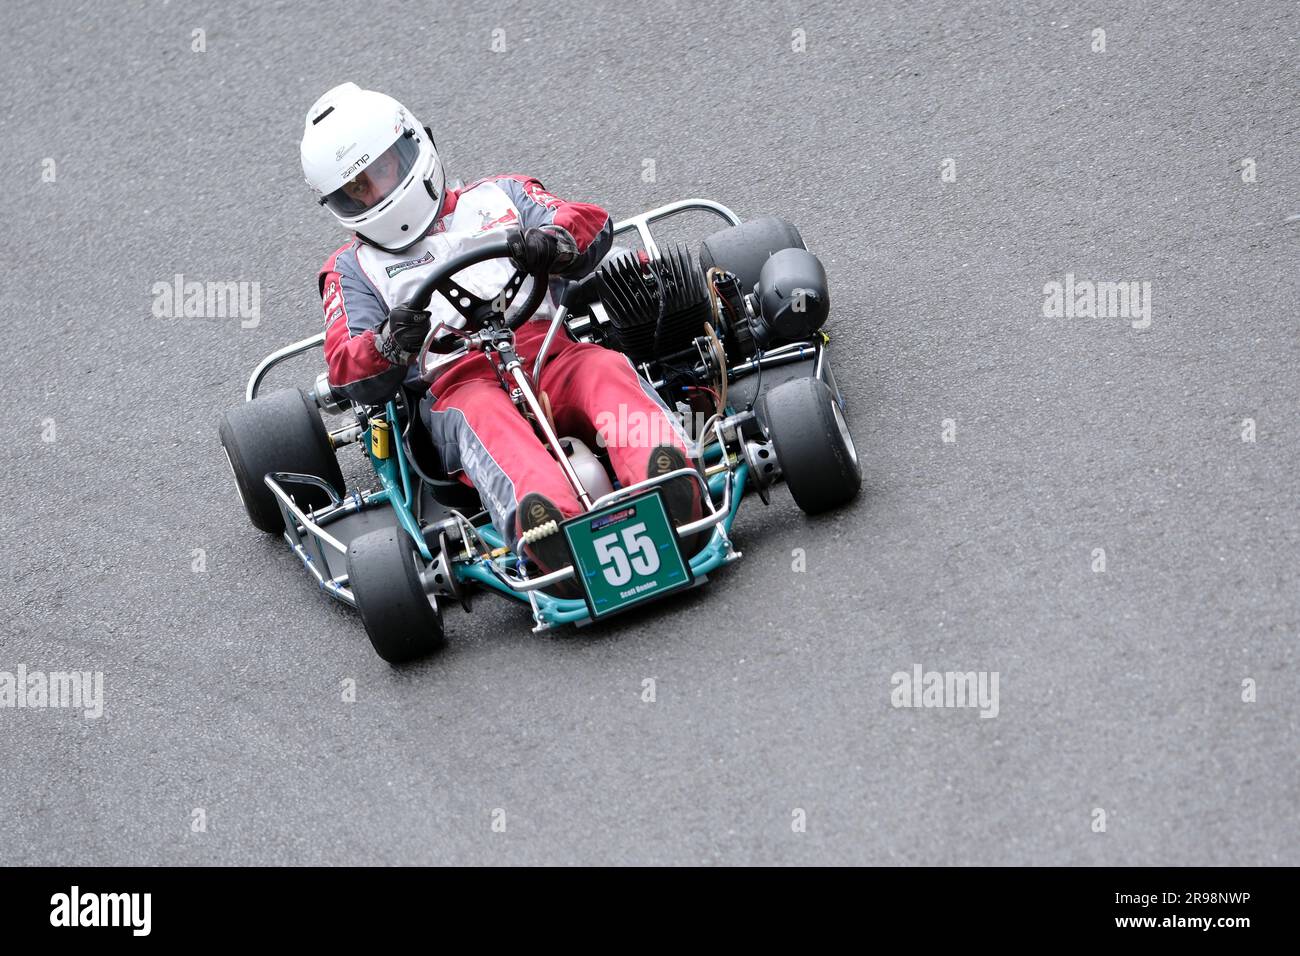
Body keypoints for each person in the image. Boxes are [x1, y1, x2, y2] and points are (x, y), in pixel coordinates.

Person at [299, 83, 702, 583]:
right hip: (456, 386)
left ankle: (667, 478)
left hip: (547, 351)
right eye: (356, 189)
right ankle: (548, 528)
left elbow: (586, 221)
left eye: (380, 172)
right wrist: (386, 343)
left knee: (603, 368)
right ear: (339, 202)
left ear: (413, 147)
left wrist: (553, 243)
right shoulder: (352, 268)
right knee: (485, 418)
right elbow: (344, 362)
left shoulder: (501, 196)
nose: (375, 193)